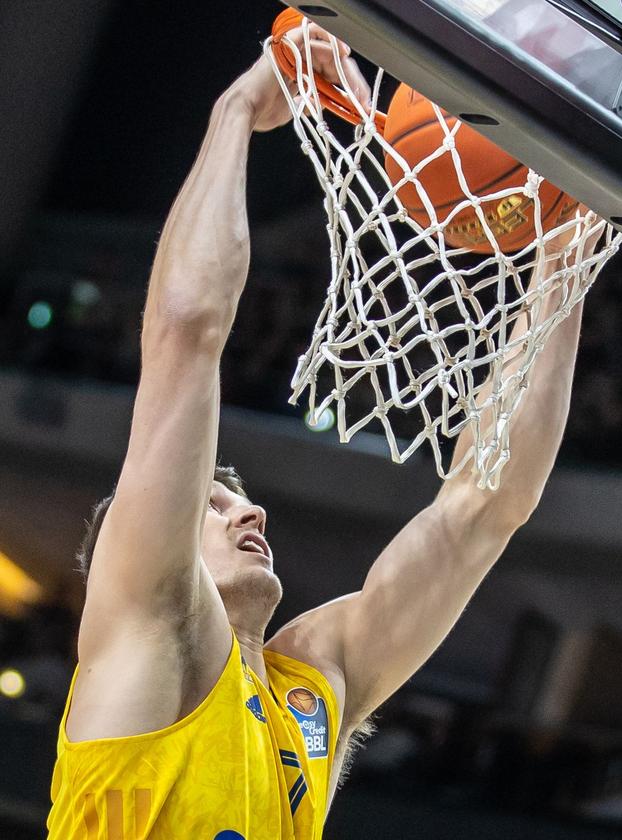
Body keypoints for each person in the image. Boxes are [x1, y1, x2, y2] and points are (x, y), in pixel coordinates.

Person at [46, 25, 591, 839]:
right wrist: (237, 110)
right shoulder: (142, 626)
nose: (248, 513)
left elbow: (488, 504)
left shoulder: (311, 679)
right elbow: (185, 335)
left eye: (238, 500)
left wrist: (567, 249)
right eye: (217, 503)